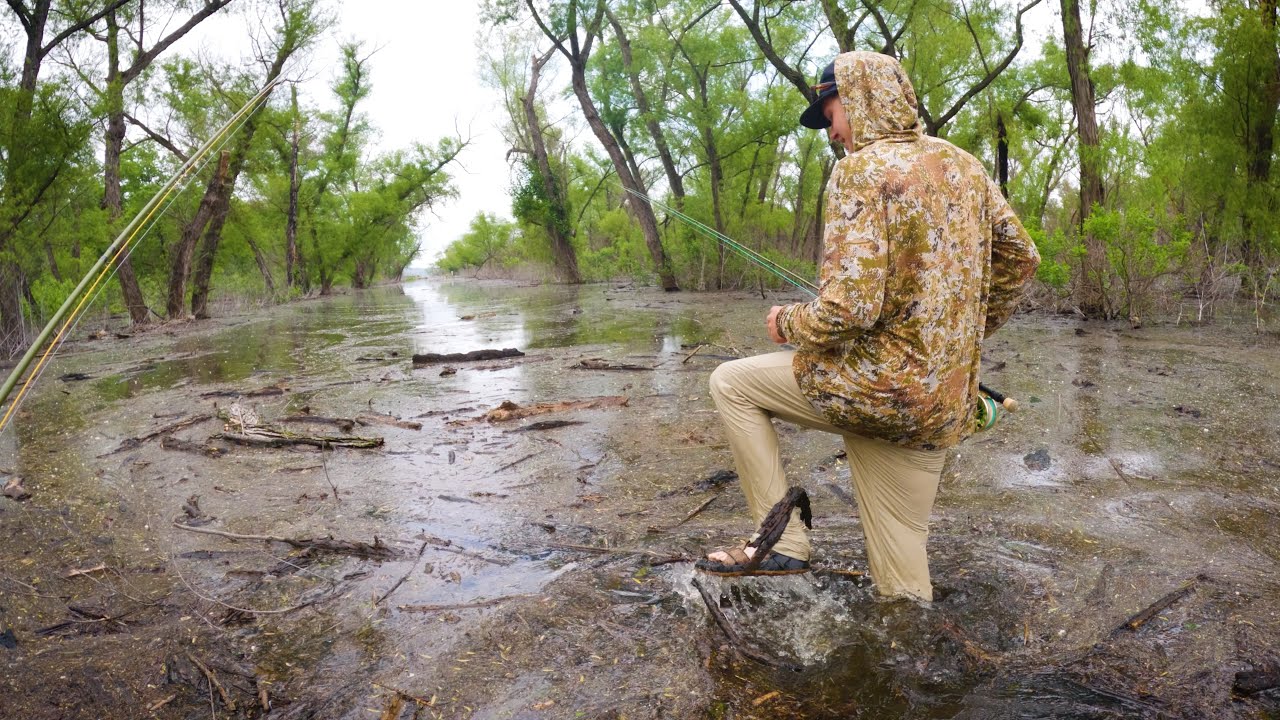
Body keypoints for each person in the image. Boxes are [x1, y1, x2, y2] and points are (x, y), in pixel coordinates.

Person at [694, 51, 1040, 601]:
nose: (830, 130)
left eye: (829, 112)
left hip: (877, 394)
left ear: (857, 98)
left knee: (730, 383)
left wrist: (788, 321)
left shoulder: (861, 171)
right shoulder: (964, 165)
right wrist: (957, 339)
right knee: (904, 584)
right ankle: (913, 669)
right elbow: (1022, 259)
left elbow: (848, 309)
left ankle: (780, 542)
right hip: (941, 400)